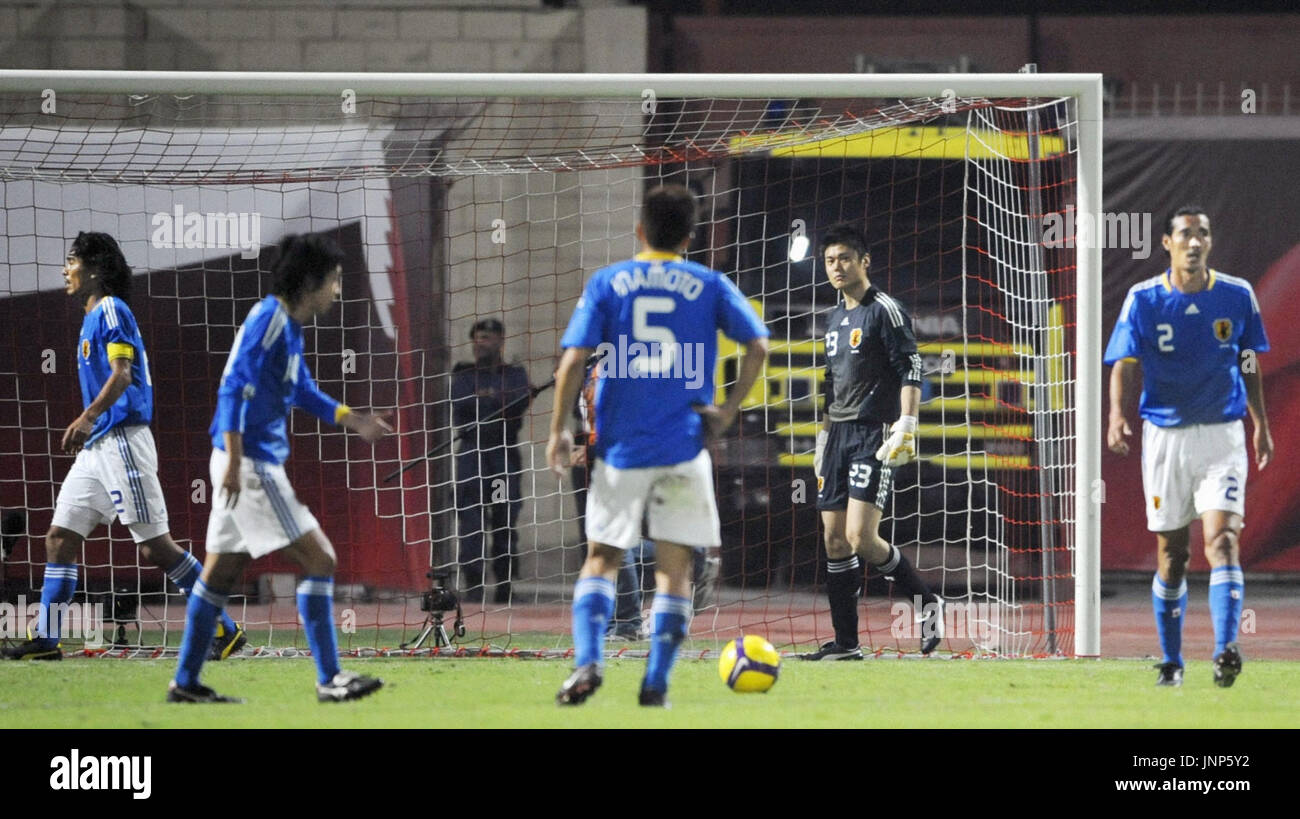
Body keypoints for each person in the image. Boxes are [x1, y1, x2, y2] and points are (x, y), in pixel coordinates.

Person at [547, 184, 770, 707]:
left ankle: (588, 663)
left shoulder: (608, 282)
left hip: (621, 450)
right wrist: (727, 413)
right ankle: (656, 685)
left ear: (639, 229)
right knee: (675, 570)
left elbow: (573, 361)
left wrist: (559, 428)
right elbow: (759, 345)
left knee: (601, 558)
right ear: (690, 237)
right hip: (684, 448)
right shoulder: (710, 283)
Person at [166, 233, 391, 703]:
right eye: (334, 281)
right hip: (249, 464)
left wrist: (353, 420)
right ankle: (330, 679)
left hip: (240, 459)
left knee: (219, 576)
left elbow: (302, 389)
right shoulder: (268, 319)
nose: (338, 290)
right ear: (310, 282)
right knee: (320, 559)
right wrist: (233, 460)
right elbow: (233, 386)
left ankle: (185, 683)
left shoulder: (287, 326)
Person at [3, 232, 245, 662]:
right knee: (59, 538)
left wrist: (87, 415)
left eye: (72, 260)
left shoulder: (112, 309)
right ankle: (46, 639)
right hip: (98, 449)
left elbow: (123, 372)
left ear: (96, 270)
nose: (65, 269)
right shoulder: (92, 316)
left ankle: (224, 629)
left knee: (155, 548)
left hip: (123, 442)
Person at [1105, 205, 1272, 688]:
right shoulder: (1144, 299)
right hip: (1165, 440)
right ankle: (1172, 661)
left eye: (1203, 233)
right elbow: (1125, 362)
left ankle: (1225, 651)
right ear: (1167, 243)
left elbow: (1247, 360)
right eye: (1185, 234)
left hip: (1222, 434)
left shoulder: (1237, 295)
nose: (1194, 242)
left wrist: (1260, 423)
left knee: (1223, 541)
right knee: (1173, 556)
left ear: (1210, 243)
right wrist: (1117, 415)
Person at [803, 222, 944, 661]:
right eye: (830, 260)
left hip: (875, 432)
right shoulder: (832, 318)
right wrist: (823, 438)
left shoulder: (885, 309)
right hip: (839, 434)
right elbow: (832, 382)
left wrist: (906, 421)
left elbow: (911, 368)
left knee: (861, 537)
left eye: (845, 258)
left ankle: (927, 603)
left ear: (865, 261)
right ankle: (846, 644)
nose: (837, 267)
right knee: (834, 541)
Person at [450, 318, 532, 603]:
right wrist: (494, 400)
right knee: (470, 521)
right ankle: (473, 583)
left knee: (504, 518)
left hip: (502, 453)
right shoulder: (463, 376)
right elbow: (461, 404)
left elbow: (519, 401)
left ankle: (504, 584)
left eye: (486, 337)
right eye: (477, 338)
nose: (480, 343)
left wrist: (488, 400)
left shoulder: (514, 374)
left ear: (500, 341)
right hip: (472, 454)